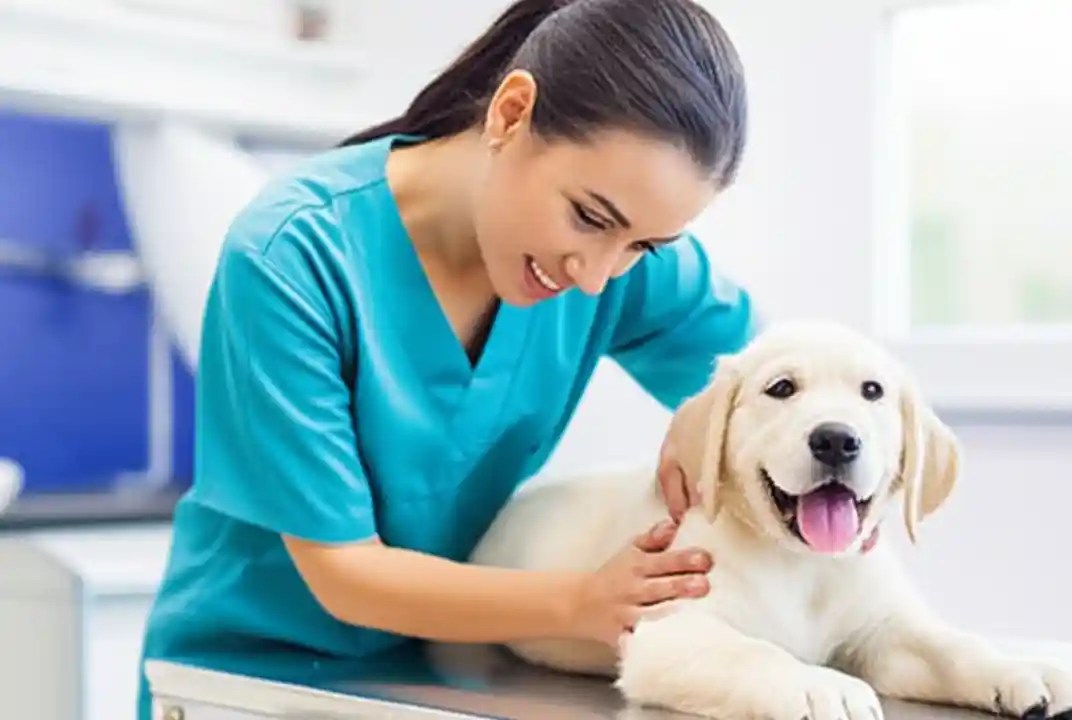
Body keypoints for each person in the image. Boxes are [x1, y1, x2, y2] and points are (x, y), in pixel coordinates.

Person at [135, 0, 759, 716]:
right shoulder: (291, 256)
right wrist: (586, 602)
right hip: (243, 676)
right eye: (588, 218)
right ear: (511, 112)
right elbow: (346, 574)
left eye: (643, 247)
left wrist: (710, 408)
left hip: (428, 669)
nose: (596, 276)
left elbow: (785, 385)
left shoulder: (616, 257)